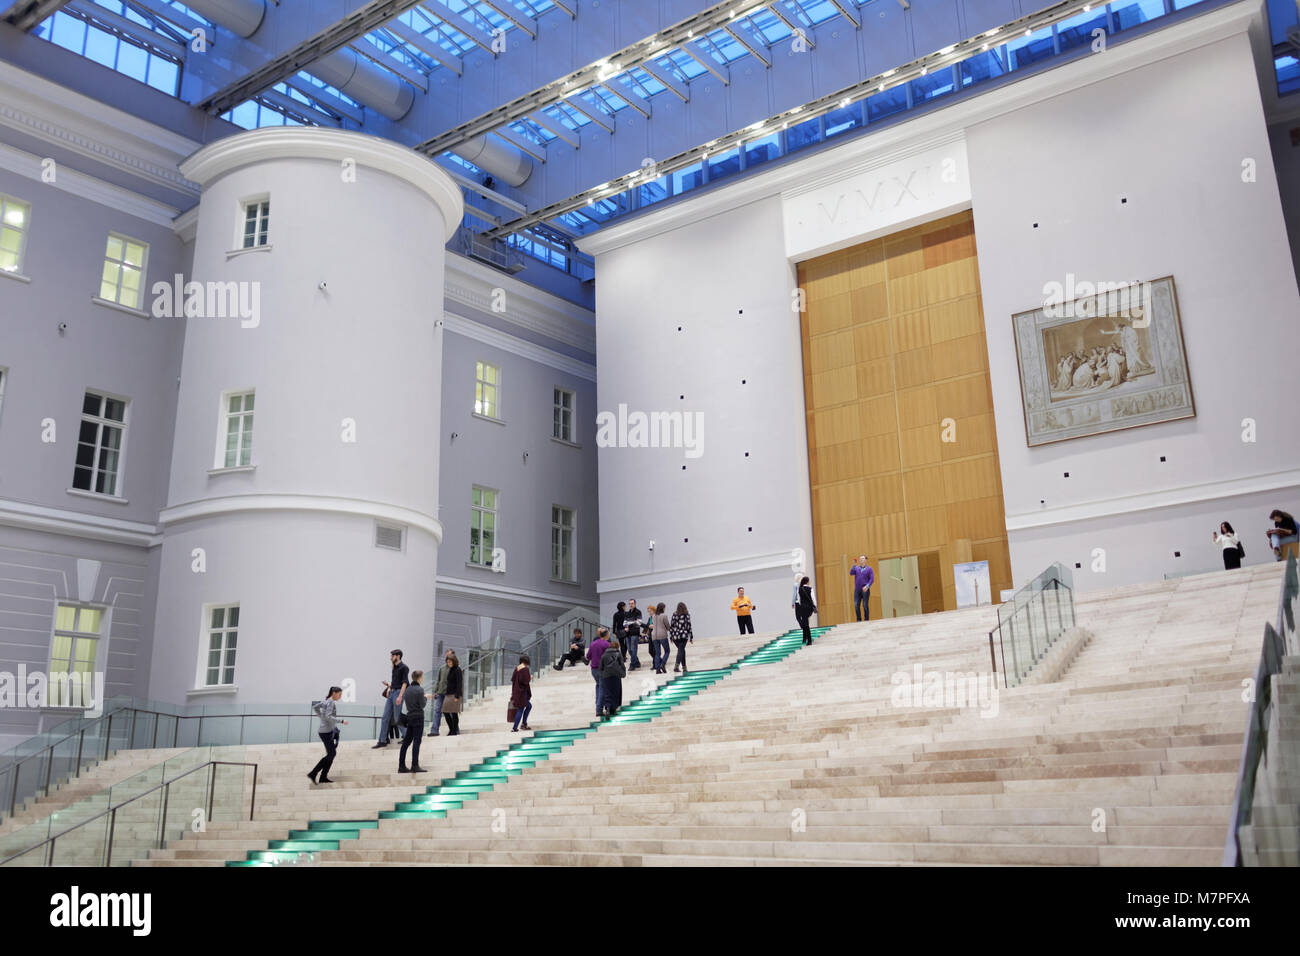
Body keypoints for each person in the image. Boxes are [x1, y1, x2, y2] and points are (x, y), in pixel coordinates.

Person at [308, 686, 348, 784]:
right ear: (334, 693)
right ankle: (313, 773)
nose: (340, 696)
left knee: (331, 754)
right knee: (331, 754)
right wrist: (341, 721)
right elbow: (329, 716)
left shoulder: (326, 701)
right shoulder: (330, 702)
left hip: (325, 731)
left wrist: (322, 717)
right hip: (326, 732)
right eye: (339, 694)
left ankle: (323, 777)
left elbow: (315, 707)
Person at [373, 648, 408, 749]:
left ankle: (407, 735)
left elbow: (404, 683)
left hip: (398, 693)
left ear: (398, 656)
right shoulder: (394, 667)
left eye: (392, 656)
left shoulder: (404, 668)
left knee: (397, 717)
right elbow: (395, 681)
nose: (390, 658)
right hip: (392, 692)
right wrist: (389, 688)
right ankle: (382, 740)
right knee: (385, 717)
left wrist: (400, 696)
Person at [398, 670, 426, 773]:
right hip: (418, 717)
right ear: (419, 678)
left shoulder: (408, 689)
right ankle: (415, 765)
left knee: (406, 742)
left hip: (410, 717)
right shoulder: (420, 690)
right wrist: (425, 698)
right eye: (422, 677)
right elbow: (422, 704)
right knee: (417, 741)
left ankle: (401, 766)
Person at [586, 626, 612, 717]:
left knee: (598, 686)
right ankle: (599, 709)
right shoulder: (606, 644)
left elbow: (588, 656)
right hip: (602, 669)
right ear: (606, 635)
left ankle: (598, 705)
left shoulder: (593, 644)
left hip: (594, 669)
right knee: (602, 688)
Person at [599, 634, 625, 718]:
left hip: (606, 677)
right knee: (616, 692)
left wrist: (602, 675)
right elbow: (622, 664)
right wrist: (623, 673)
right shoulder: (618, 653)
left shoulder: (604, 654)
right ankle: (613, 709)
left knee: (608, 693)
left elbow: (601, 667)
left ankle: (607, 708)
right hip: (616, 676)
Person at [427, 650, 452, 737]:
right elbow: (438, 681)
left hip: (449, 694)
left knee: (451, 713)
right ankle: (434, 731)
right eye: (446, 655)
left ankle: (454, 730)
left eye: (449, 655)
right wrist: (435, 691)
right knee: (437, 711)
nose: (447, 657)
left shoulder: (455, 668)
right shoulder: (442, 668)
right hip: (440, 693)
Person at [669, 602, 693, 673]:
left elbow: (672, 626)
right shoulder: (686, 614)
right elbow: (689, 626)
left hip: (675, 636)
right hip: (683, 636)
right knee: (681, 650)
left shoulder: (674, 614)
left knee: (682, 650)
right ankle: (676, 666)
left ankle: (684, 668)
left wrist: (671, 637)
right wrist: (691, 637)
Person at [510, 655, 533, 732]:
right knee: (521, 709)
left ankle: (522, 724)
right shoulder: (525, 669)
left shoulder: (517, 668)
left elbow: (513, 680)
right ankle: (517, 727)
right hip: (522, 693)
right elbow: (525, 681)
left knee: (528, 706)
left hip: (517, 692)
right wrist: (530, 677)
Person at [849, 556, 874, 622]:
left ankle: (866, 619)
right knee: (856, 605)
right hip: (857, 590)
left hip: (865, 589)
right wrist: (853, 565)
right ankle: (859, 620)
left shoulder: (869, 569)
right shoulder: (856, 568)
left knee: (865, 605)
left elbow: (872, 579)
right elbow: (851, 573)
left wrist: (867, 586)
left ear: (865, 560)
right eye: (860, 559)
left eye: (862, 558)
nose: (861, 560)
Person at [442, 653, 463, 735]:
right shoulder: (450, 670)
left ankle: (454, 731)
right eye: (447, 662)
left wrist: (457, 696)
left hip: (455, 694)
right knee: (445, 711)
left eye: (450, 662)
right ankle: (451, 729)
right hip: (448, 694)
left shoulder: (458, 669)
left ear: (454, 661)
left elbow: (459, 683)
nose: (449, 663)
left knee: (454, 713)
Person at [649, 602, 671, 674]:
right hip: (662, 635)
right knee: (667, 651)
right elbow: (667, 625)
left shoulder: (654, 615)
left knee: (657, 653)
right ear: (663, 608)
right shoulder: (664, 616)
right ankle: (663, 664)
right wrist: (669, 629)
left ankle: (657, 669)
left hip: (654, 636)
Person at [622, 599, 644, 669]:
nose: (631, 605)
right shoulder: (627, 613)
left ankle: (632, 664)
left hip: (635, 633)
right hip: (628, 633)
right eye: (629, 604)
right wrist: (632, 623)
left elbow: (639, 622)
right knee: (629, 650)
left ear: (635, 604)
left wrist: (629, 624)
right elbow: (624, 623)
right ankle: (637, 662)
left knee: (634, 649)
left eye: (632, 603)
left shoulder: (638, 612)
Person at [795, 576, 817, 645]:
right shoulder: (810, 589)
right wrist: (815, 606)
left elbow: (798, 600)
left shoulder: (799, 589)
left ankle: (806, 639)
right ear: (807, 581)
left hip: (802, 608)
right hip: (809, 608)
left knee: (805, 624)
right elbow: (813, 599)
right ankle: (808, 640)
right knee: (806, 624)